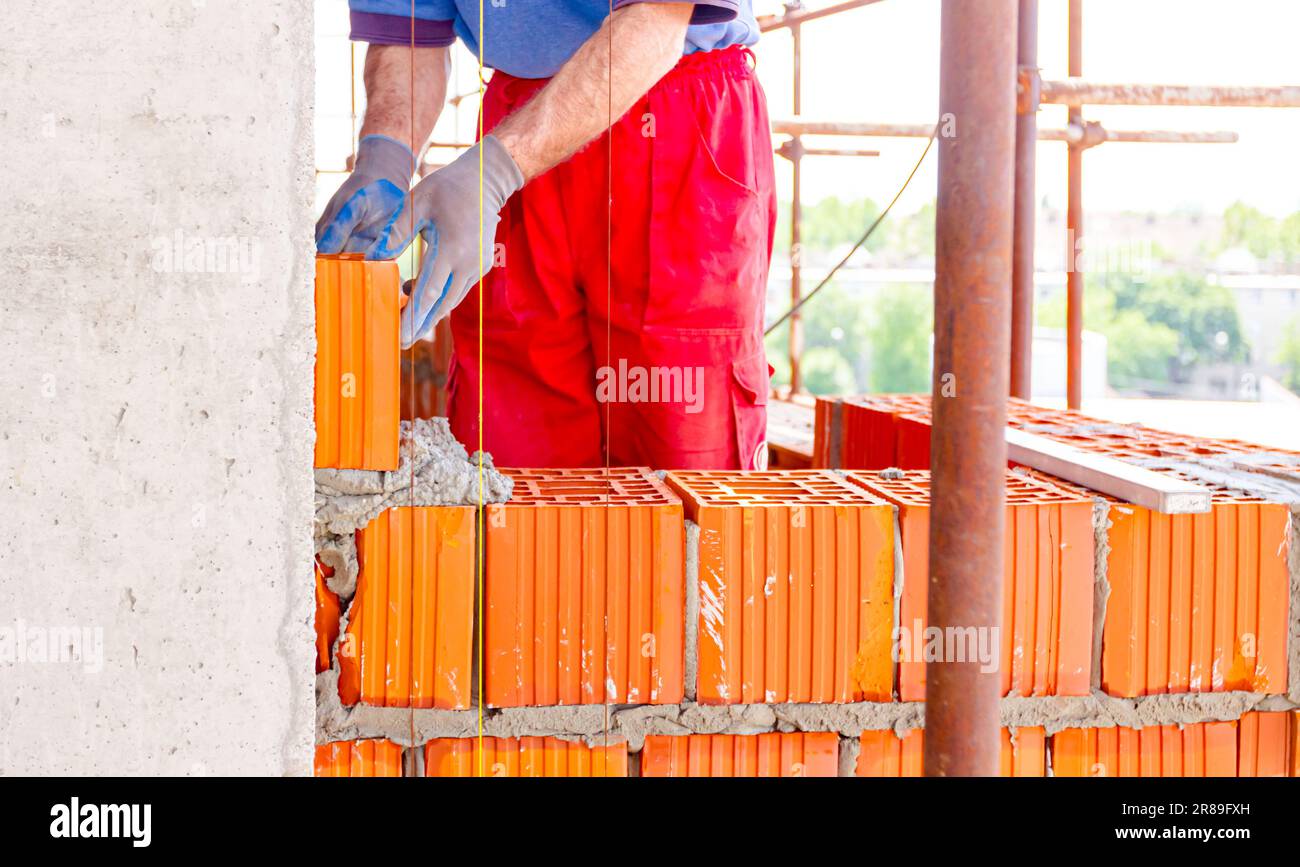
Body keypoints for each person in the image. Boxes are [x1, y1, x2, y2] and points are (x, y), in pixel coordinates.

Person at [316, 1, 775, 469]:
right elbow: (410, 27)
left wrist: (494, 171)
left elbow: (657, 20)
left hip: (669, 108)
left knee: (682, 441)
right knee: (508, 449)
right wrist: (386, 156)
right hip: (517, 124)